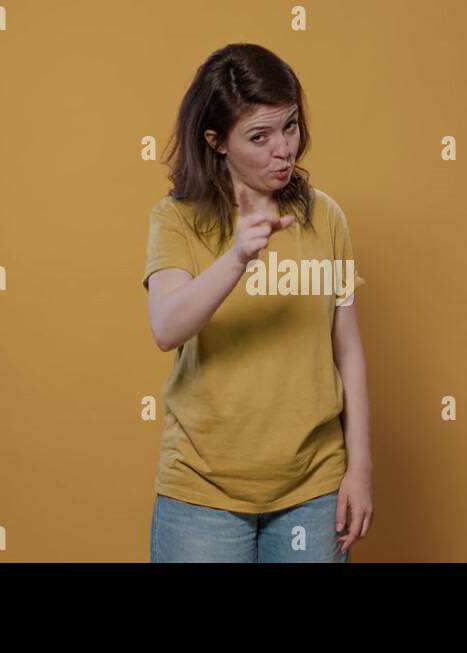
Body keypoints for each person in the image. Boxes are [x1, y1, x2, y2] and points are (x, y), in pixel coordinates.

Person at [143, 43, 373, 562]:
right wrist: (238, 256)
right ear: (216, 141)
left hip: (312, 491)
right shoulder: (176, 220)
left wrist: (360, 466)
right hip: (202, 493)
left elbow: (349, 351)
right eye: (259, 136)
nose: (284, 149)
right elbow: (166, 326)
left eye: (290, 126)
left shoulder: (326, 218)